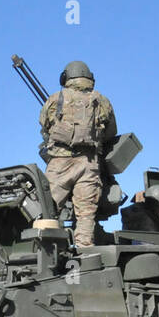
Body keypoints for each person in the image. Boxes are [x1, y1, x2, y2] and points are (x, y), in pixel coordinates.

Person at [38, 61, 115, 248]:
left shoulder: (55, 98)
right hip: (89, 163)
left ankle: (46, 252)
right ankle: (85, 253)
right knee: (86, 214)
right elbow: (111, 131)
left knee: (46, 210)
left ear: (65, 78)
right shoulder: (101, 100)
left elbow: (44, 125)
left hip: (60, 162)